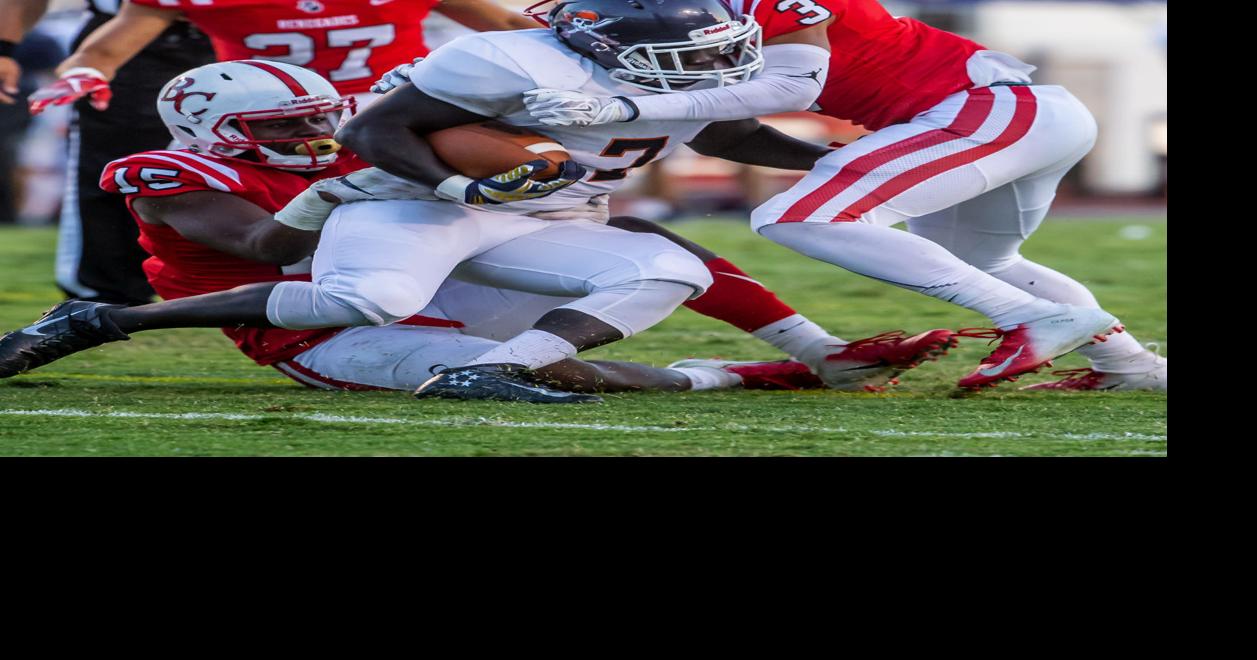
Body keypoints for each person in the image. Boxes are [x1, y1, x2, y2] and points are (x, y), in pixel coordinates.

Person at [0, 59, 955, 401]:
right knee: (506, 358)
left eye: (318, 120)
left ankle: (812, 353)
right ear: (214, 130)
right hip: (306, 325)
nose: (313, 136)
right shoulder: (172, 171)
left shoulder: (350, 139)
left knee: (655, 253)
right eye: (286, 128)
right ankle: (103, 321)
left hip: (423, 279)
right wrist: (357, 186)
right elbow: (271, 249)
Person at [520, 0, 1166, 392]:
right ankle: (1130, 364)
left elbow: (793, 87)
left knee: (795, 217)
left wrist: (627, 106)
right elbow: (725, 129)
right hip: (1007, 114)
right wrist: (827, 160)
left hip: (988, 109)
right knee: (985, 261)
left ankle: (1030, 317)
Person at [2, 0, 214, 305]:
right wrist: (4, 48)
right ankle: (105, 295)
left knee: (250, 164)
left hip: (236, 38)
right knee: (115, 173)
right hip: (136, 46)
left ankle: (249, 283)